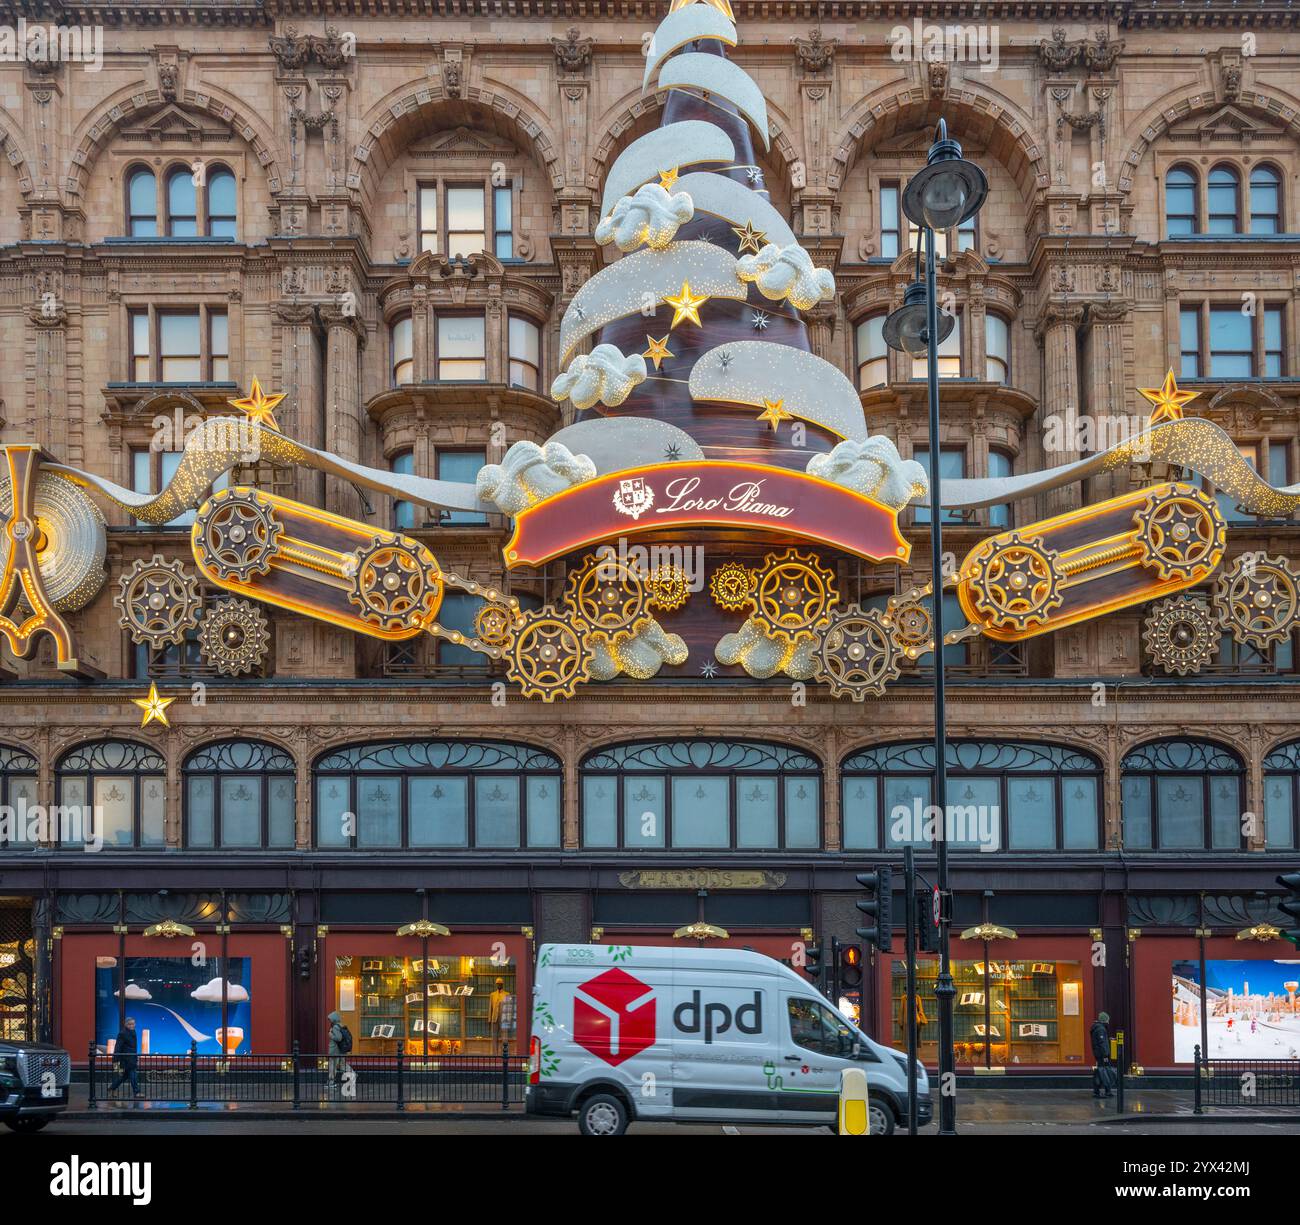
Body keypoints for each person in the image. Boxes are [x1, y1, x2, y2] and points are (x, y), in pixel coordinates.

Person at [108, 1016, 142, 1098]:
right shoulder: (122, 1033)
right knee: (133, 1074)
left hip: (132, 1058)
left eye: (133, 1024)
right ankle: (137, 1092)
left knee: (124, 1076)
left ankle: (112, 1088)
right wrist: (115, 1060)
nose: (132, 1026)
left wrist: (136, 1057)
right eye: (129, 1024)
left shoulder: (133, 1032)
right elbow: (118, 1047)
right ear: (126, 1025)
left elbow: (133, 1047)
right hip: (126, 1059)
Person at [327, 1010, 352, 1092]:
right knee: (342, 1064)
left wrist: (331, 1035)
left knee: (332, 1066)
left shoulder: (335, 1027)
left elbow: (338, 1038)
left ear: (334, 1019)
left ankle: (331, 1082)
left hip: (335, 1050)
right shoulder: (340, 1025)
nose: (329, 1021)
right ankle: (353, 1075)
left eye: (330, 1019)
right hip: (340, 1050)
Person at [1090, 1011, 1113, 1099]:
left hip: (1098, 1054)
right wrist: (1105, 1055)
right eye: (1108, 1020)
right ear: (1105, 1020)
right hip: (1102, 1055)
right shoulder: (1101, 1029)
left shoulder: (1097, 1028)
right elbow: (1102, 1043)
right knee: (1103, 1072)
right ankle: (1105, 1091)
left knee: (1100, 1072)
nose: (1108, 1022)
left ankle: (1100, 1091)